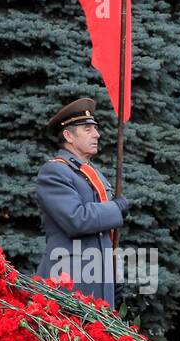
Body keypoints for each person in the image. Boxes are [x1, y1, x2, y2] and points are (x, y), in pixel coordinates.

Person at [35, 98, 130, 306]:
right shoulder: (54, 171)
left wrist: (114, 270)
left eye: (95, 129)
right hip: (69, 280)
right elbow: (76, 219)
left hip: (97, 277)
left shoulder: (92, 172)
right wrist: (116, 209)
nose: (96, 134)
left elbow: (105, 233)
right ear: (68, 136)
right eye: (87, 129)